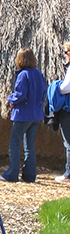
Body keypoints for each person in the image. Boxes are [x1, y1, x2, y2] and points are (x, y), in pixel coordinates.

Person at [0, 48, 46, 183]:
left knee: (14, 143)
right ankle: (29, 175)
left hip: (23, 115)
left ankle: (12, 173)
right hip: (36, 115)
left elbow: (20, 94)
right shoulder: (38, 74)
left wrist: (10, 100)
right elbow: (43, 93)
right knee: (29, 145)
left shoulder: (23, 75)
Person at [54, 43, 70, 183]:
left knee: (68, 142)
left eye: (66, 52)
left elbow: (66, 87)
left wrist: (56, 86)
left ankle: (68, 173)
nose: (65, 55)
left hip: (68, 110)